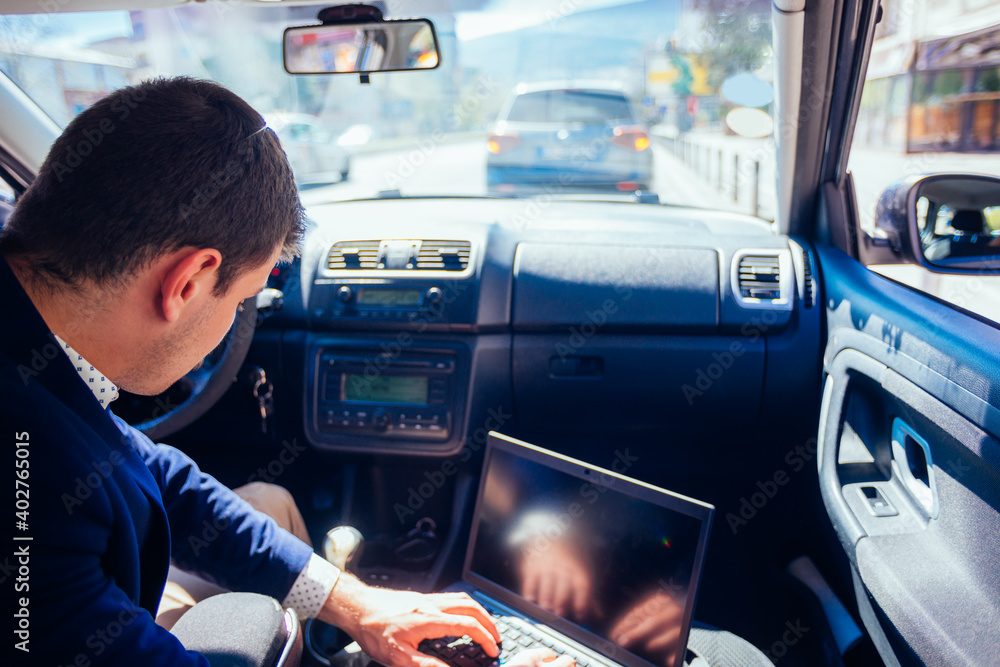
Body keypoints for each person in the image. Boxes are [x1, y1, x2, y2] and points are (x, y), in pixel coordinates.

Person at [0, 77, 575, 667]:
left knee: (268, 500)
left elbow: (157, 474)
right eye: (242, 299)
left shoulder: (37, 355)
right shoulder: (33, 486)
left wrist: (358, 604)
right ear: (189, 283)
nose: (234, 324)